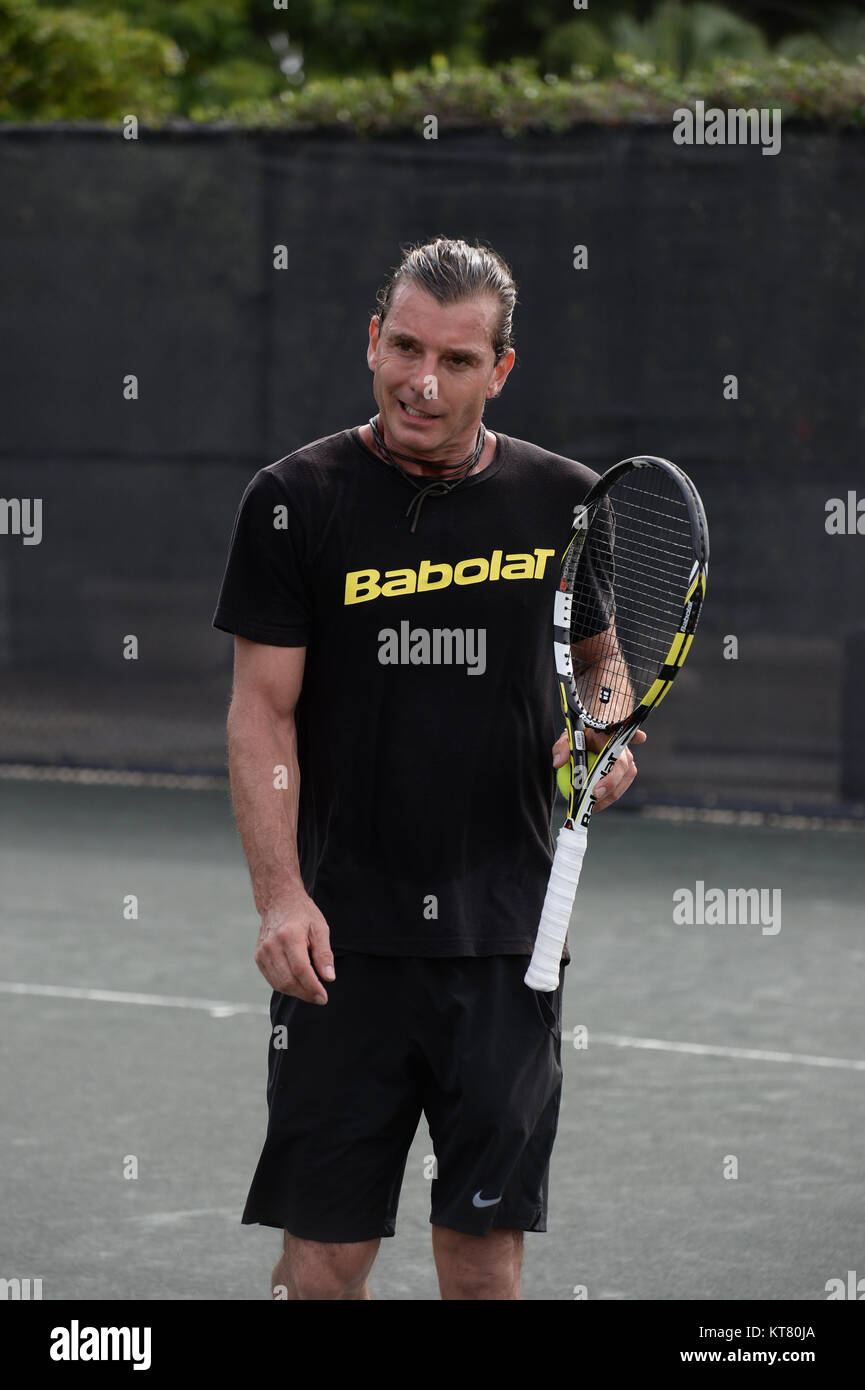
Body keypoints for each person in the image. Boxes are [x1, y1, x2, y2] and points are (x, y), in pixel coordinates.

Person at [212, 237, 644, 1301]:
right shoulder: (292, 499)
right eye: (403, 347)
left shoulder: (566, 502)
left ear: (500, 370)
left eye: (456, 360)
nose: (421, 380)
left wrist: (605, 732)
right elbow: (260, 714)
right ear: (371, 340)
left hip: (506, 944)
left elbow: (604, 671)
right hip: (340, 942)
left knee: (485, 1266)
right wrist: (279, 896)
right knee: (321, 1265)